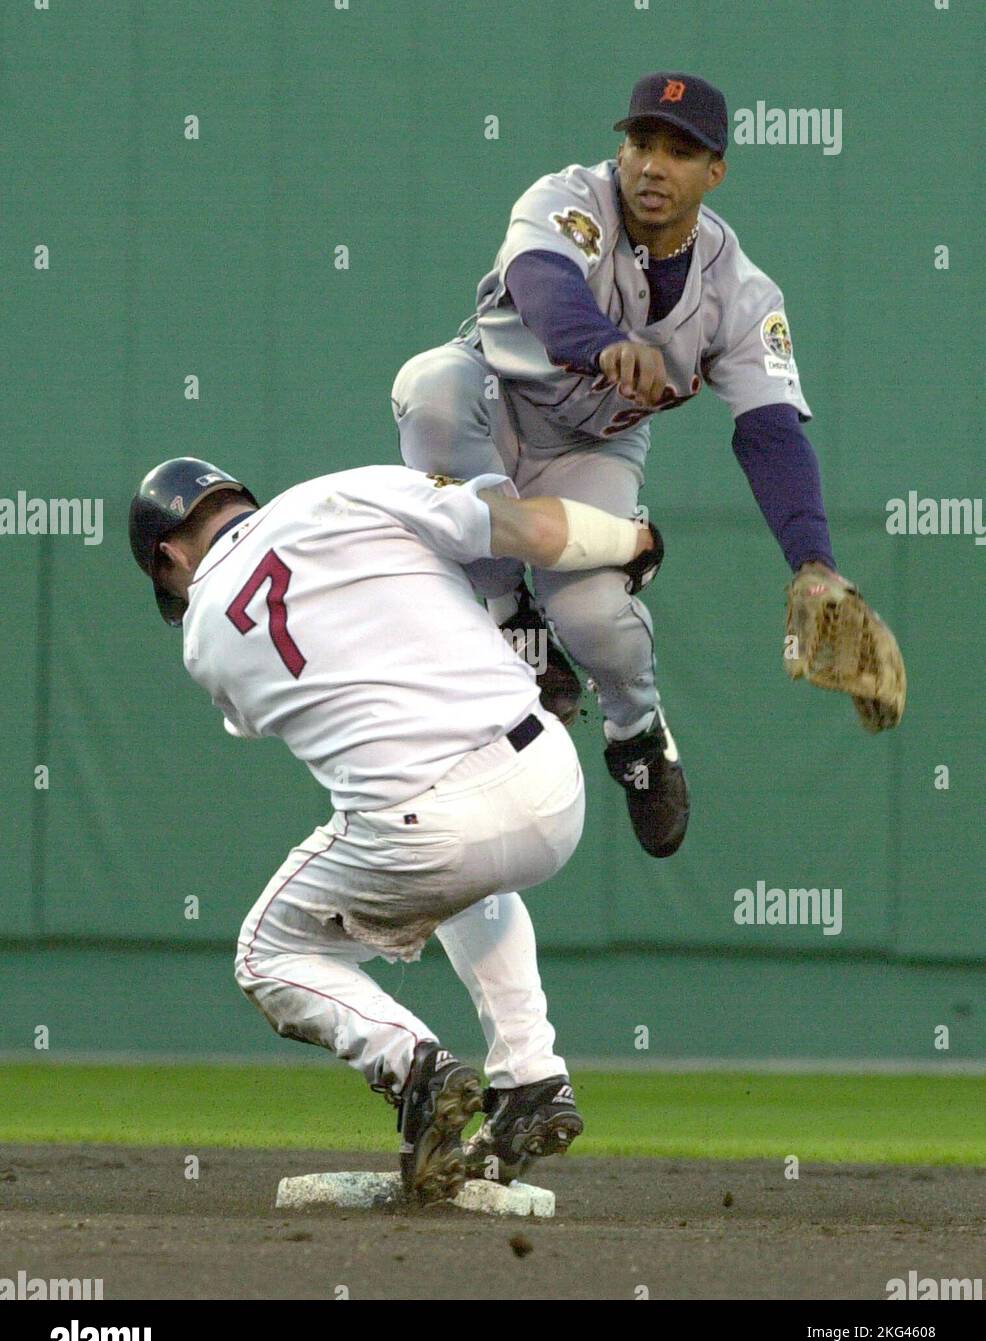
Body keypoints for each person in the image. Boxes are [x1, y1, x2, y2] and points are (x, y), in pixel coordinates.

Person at [128, 456, 662, 1203]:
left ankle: (415, 1068)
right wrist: (628, 538)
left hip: (423, 829)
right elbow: (521, 529)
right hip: (548, 783)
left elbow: (261, 702)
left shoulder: (203, 643)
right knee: (469, 882)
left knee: (266, 954)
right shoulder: (336, 488)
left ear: (169, 556)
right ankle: (533, 1079)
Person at [392, 71, 842, 859]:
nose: (651, 166)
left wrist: (814, 563)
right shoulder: (570, 198)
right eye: (640, 142)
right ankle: (508, 612)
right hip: (493, 404)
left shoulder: (739, 293)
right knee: (429, 389)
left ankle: (636, 732)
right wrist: (601, 343)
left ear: (716, 172)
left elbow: (770, 432)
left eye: (679, 151)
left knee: (596, 617)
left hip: (592, 449)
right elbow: (540, 281)